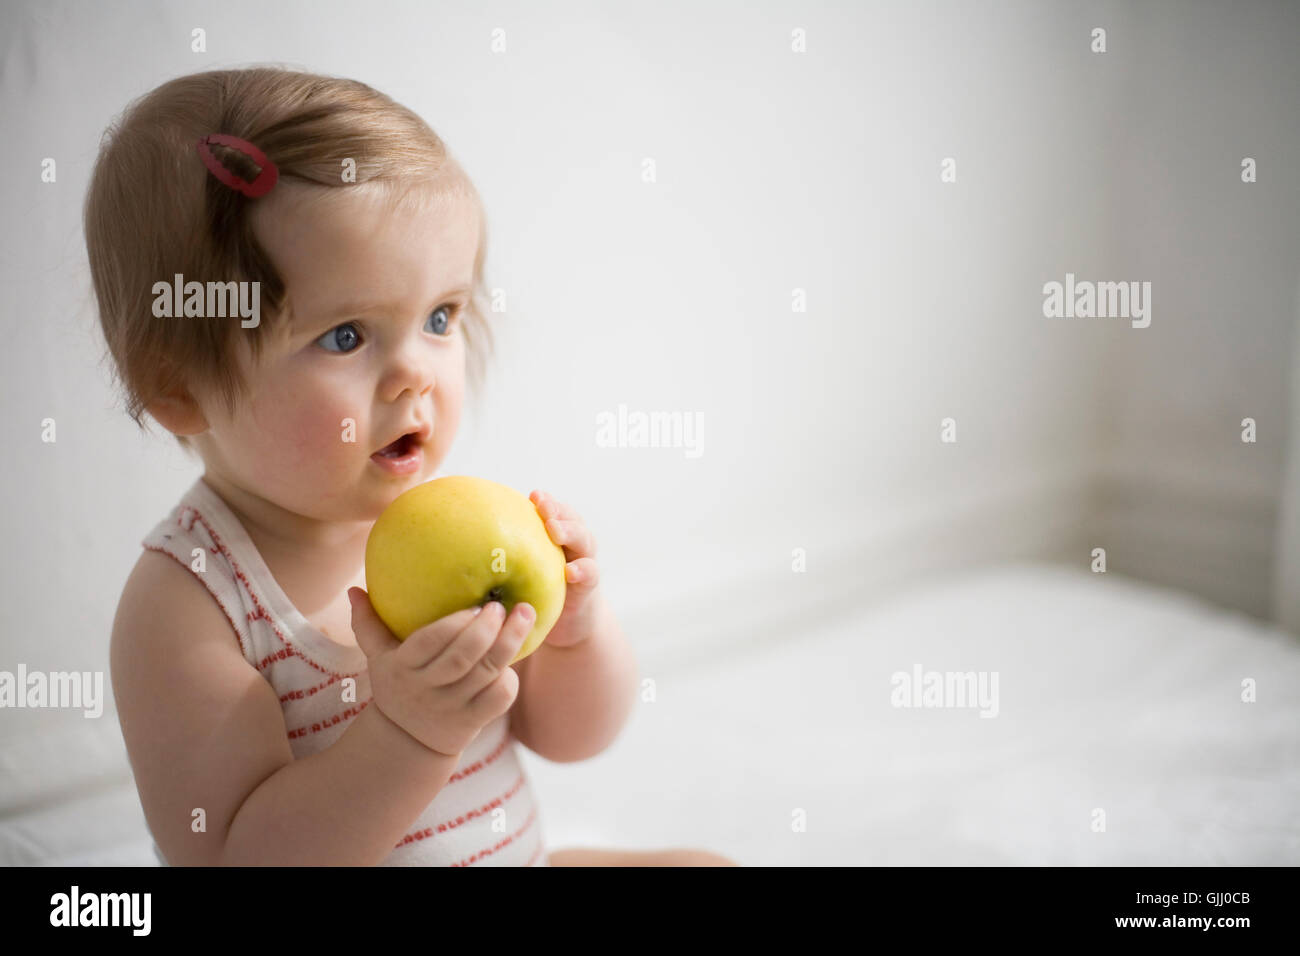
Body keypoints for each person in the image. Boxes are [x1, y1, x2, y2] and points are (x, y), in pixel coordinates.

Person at [86, 66, 737, 868]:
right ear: (181, 388)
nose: (416, 375)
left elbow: (572, 740)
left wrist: (574, 640)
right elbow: (235, 856)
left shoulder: (448, 523)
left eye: (440, 317)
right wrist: (407, 734)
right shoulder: (192, 605)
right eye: (346, 336)